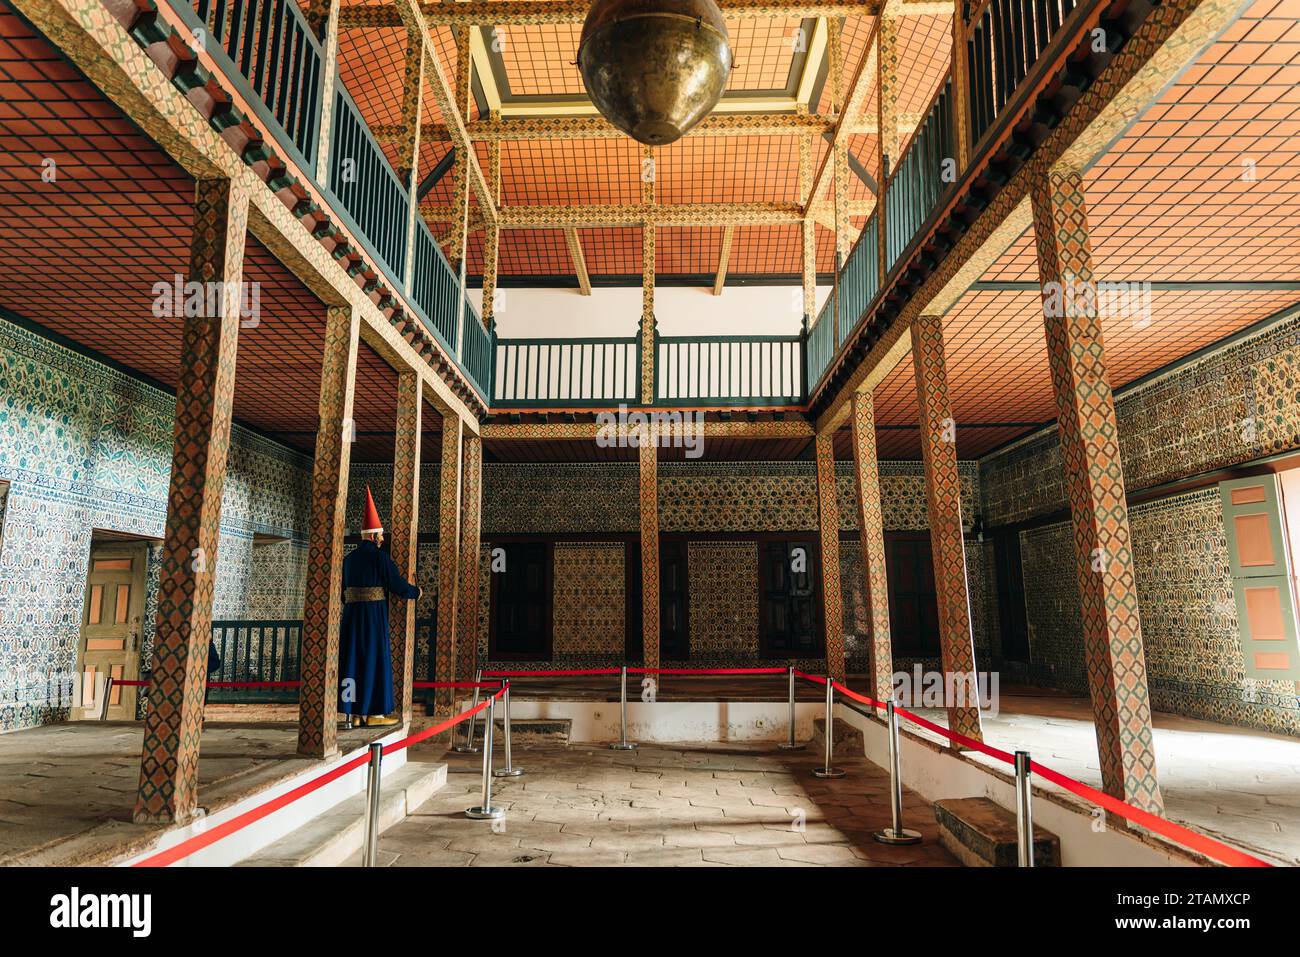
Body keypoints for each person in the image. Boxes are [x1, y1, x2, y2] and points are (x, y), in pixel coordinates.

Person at [338, 486, 421, 727]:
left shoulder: (348, 560)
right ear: (374, 536)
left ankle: (353, 712)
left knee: (353, 660)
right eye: (381, 535)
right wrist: (416, 592)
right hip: (373, 616)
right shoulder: (380, 557)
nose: (383, 539)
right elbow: (396, 584)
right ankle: (375, 713)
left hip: (352, 615)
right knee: (375, 659)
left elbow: (343, 591)